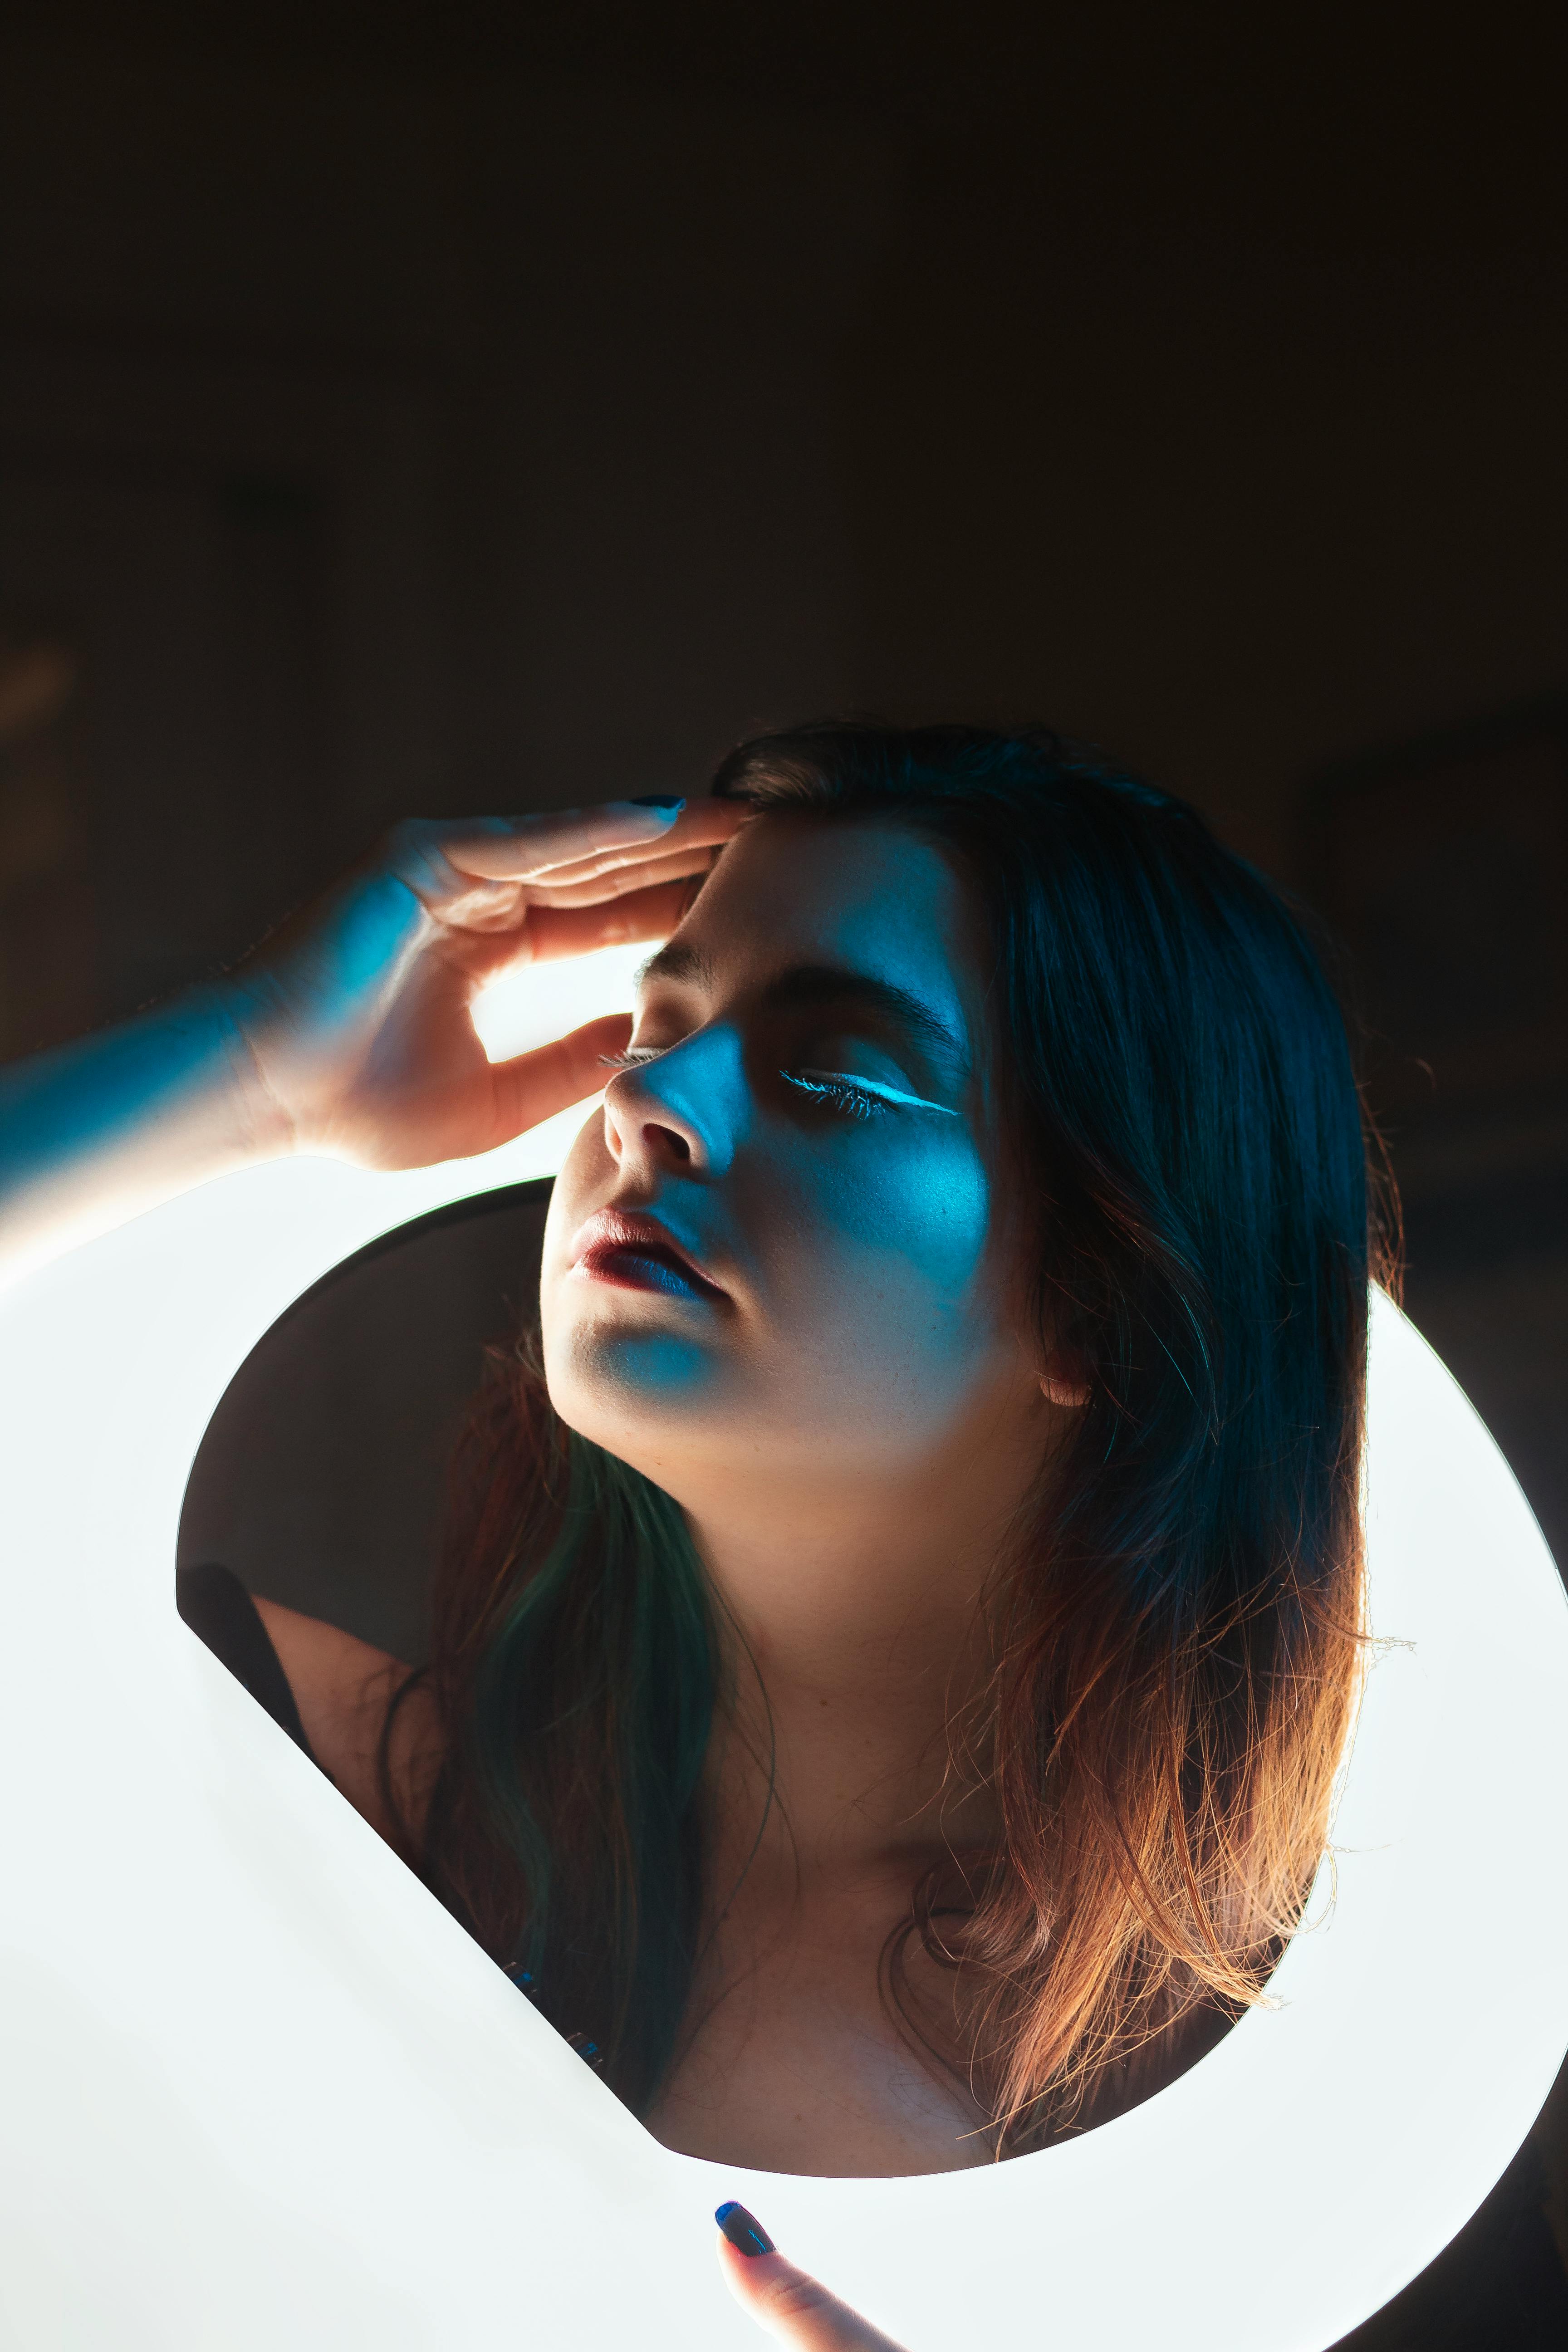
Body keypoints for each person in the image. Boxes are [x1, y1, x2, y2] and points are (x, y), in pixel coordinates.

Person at [3, 725, 1556, 2351]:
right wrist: (257, 1074)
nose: (643, 1098)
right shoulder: (283, 1801)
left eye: (832, 1071)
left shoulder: (1313, 2147)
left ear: (1104, 1292)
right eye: (658, 1024)